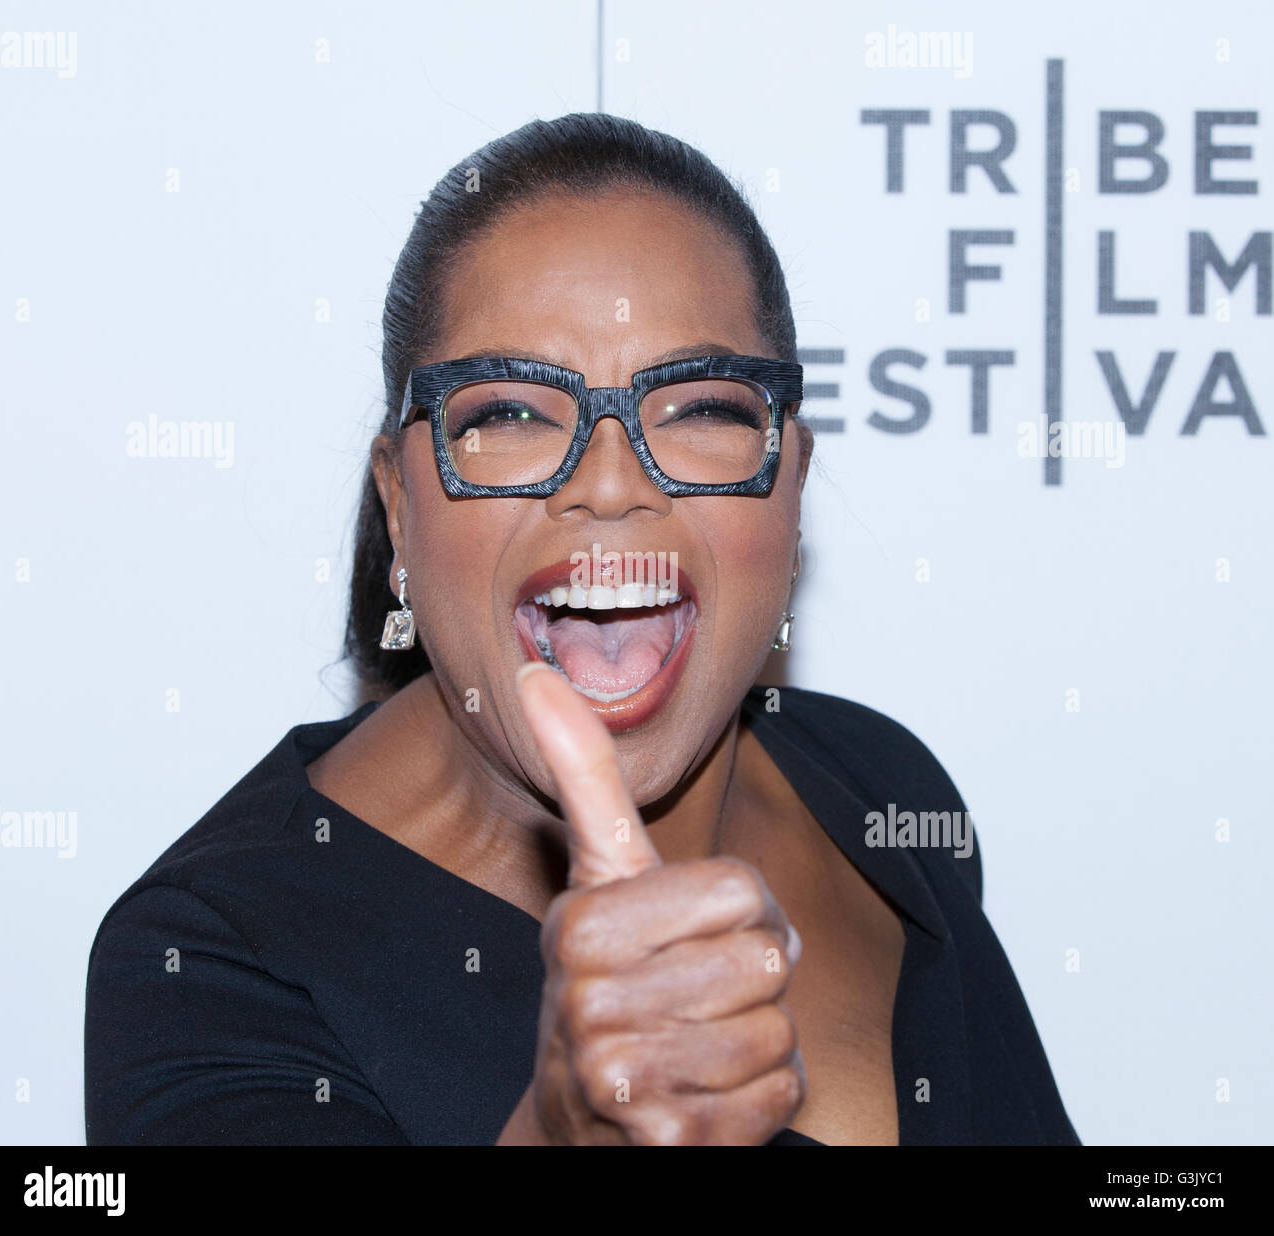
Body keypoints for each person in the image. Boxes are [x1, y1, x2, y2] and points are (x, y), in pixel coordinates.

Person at [85, 112, 1079, 1146]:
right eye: (508, 414)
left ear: (790, 483)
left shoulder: (884, 789)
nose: (610, 484)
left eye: (700, 408)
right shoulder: (206, 963)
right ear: (397, 502)